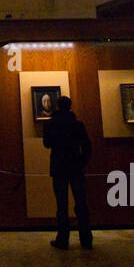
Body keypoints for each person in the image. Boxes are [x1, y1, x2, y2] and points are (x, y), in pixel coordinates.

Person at [42, 95, 92, 250]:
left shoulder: (50, 124)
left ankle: (63, 239)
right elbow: (87, 145)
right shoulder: (77, 124)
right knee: (81, 203)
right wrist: (81, 162)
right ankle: (86, 239)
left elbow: (47, 144)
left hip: (59, 166)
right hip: (75, 166)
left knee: (62, 205)